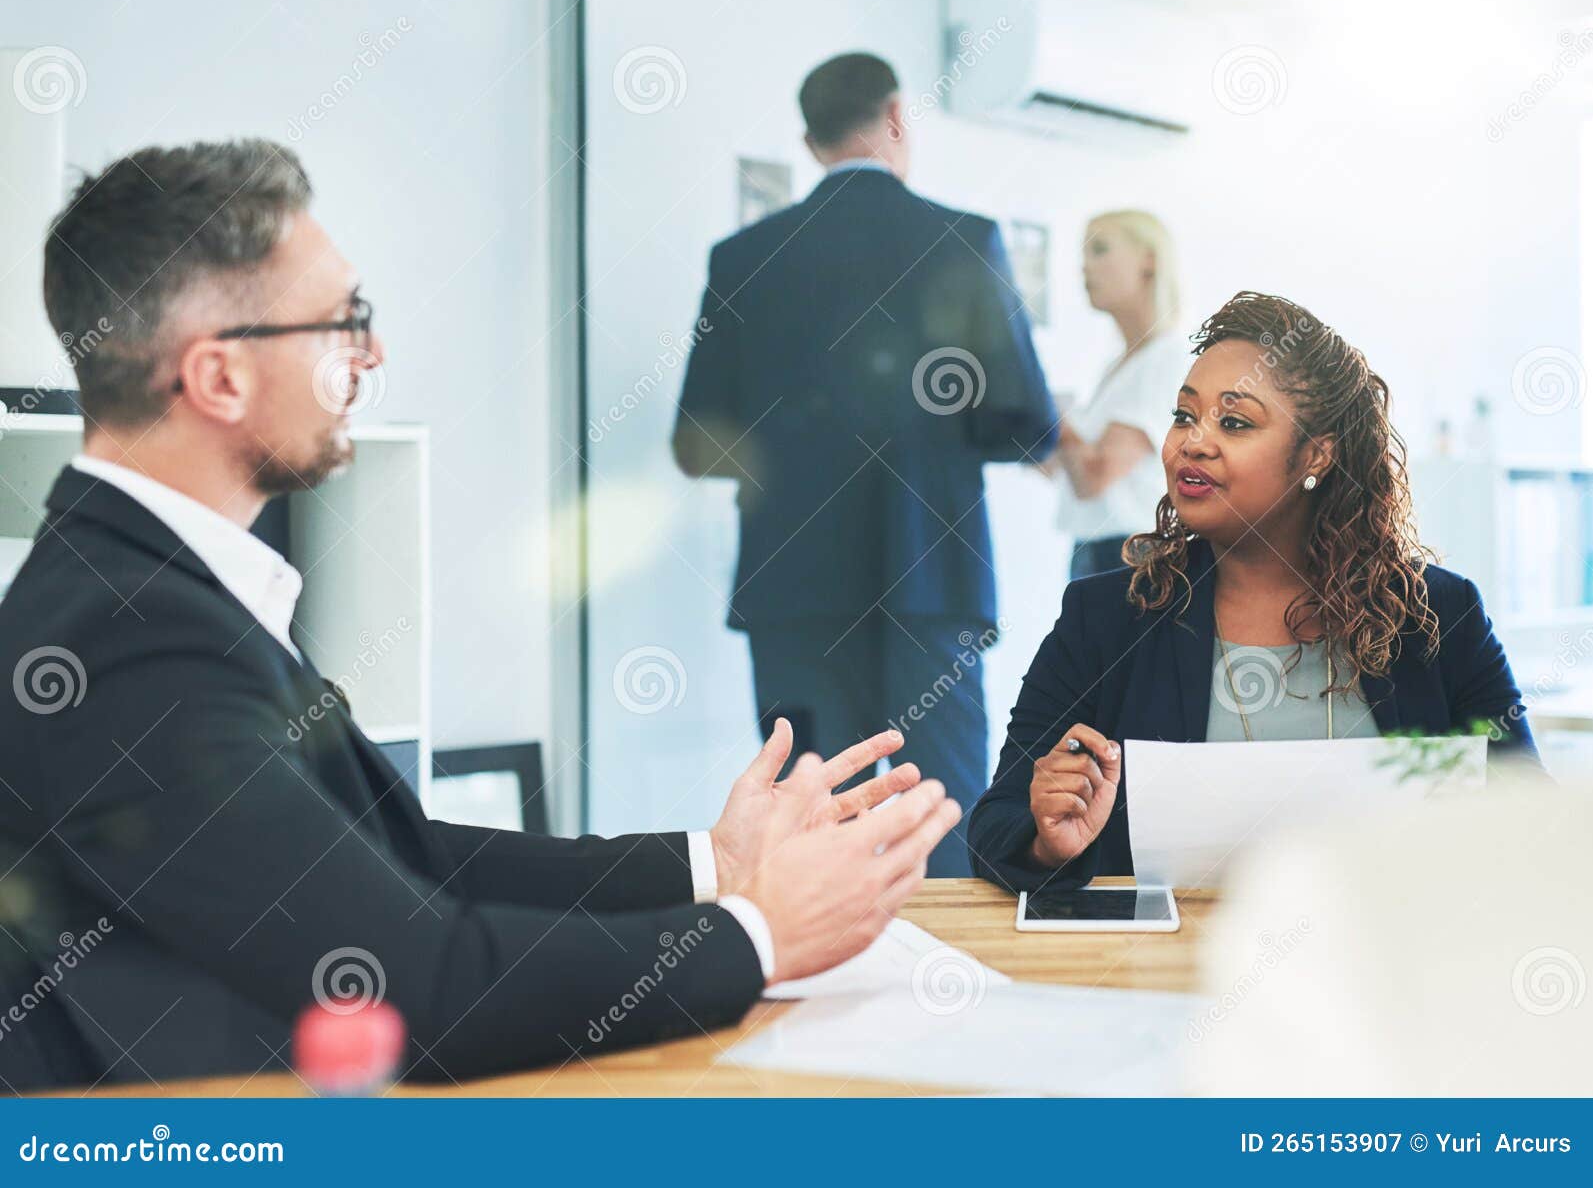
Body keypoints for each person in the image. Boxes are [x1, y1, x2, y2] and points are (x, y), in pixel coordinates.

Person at [0, 140, 960, 1091]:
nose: (371, 353)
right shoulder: (129, 635)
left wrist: (717, 861)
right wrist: (763, 933)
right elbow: (420, 987)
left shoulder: (154, 586)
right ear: (219, 379)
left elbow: (409, 857)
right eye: (342, 320)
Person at [967, 291, 1543, 893]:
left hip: (1393, 969)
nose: (1192, 442)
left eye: (1235, 422)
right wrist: (1044, 842)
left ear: (1314, 455)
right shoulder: (1107, 617)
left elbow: (1533, 818)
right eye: (1184, 416)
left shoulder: (1437, 615)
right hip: (1161, 977)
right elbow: (995, 828)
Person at [673, 53, 1057, 875]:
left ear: (810, 140)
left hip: (793, 594)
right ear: (894, 117)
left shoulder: (743, 259)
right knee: (940, 823)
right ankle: (954, 990)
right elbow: (1030, 425)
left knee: (810, 822)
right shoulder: (965, 240)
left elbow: (695, 443)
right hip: (931, 583)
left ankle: (815, 995)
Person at [1047, 210, 1191, 579]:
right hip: (1096, 554)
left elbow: (1094, 476)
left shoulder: (1166, 359)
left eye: (1099, 250)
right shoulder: (1119, 366)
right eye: (1082, 255)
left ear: (1148, 261)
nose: (1084, 268)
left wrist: (1051, 417)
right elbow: (1070, 469)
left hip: (1129, 560)